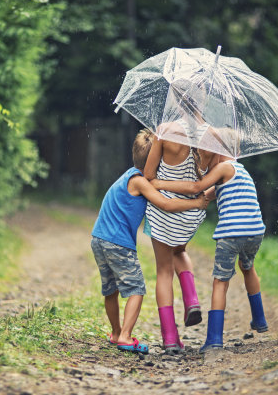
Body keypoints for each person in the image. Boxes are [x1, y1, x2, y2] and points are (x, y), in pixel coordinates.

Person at [91, 129, 209, 355]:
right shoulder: (141, 182)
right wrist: (195, 204)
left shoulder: (127, 176)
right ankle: (125, 336)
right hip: (118, 243)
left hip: (98, 239)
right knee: (136, 289)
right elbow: (165, 205)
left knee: (111, 290)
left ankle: (116, 333)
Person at [150, 151, 268, 353]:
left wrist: (160, 184)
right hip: (255, 232)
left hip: (232, 234)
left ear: (221, 153)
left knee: (220, 282)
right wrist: (191, 200)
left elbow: (197, 187)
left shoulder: (223, 167)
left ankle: (214, 339)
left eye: (210, 155)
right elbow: (205, 194)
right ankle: (260, 319)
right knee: (248, 268)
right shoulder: (241, 172)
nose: (207, 162)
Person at [143, 125, 219, 355]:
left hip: (162, 210)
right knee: (180, 252)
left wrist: (161, 183)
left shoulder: (165, 131)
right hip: (189, 213)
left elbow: (148, 175)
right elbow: (215, 183)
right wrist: (201, 196)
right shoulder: (211, 136)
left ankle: (169, 339)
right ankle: (192, 299)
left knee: (164, 271)